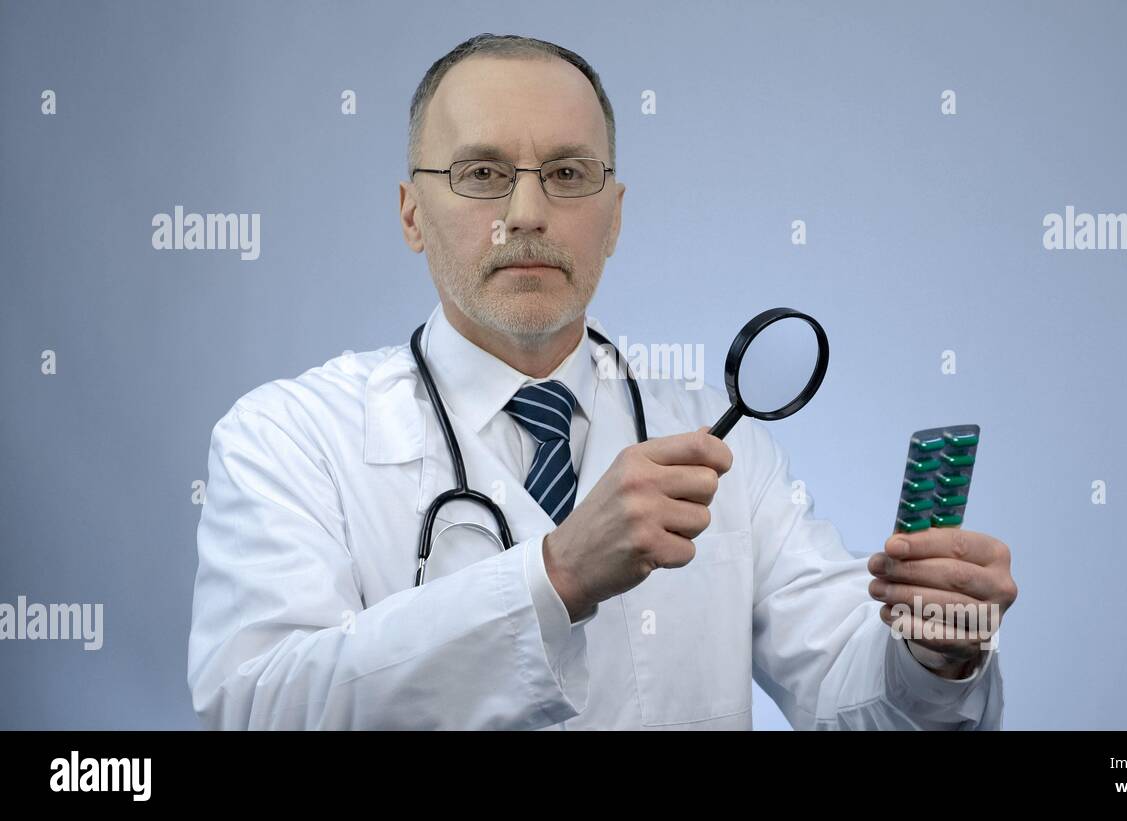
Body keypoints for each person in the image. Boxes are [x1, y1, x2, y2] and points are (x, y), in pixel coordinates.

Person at [187, 32, 1018, 730]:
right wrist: (554, 577)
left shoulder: (722, 447)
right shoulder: (288, 436)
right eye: (480, 174)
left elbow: (861, 698)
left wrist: (936, 653)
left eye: (569, 173)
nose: (528, 212)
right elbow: (254, 706)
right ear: (412, 213)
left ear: (614, 215)